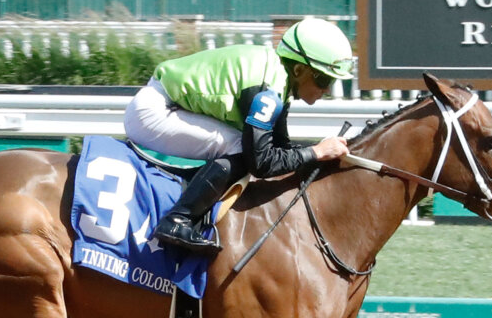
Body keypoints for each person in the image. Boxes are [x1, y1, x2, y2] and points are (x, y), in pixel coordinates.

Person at [123, 16, 356, 255]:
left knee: (242, 145)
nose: (327, 88)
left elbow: (280, 147)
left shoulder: (278, 81)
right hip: (154, 111)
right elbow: (261, 163)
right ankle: (177, 220)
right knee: (239, 147)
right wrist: (317, 151)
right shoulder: (267, 91)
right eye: (323, 79)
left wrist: (319, 152)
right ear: (299, 69)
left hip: (168, 104)